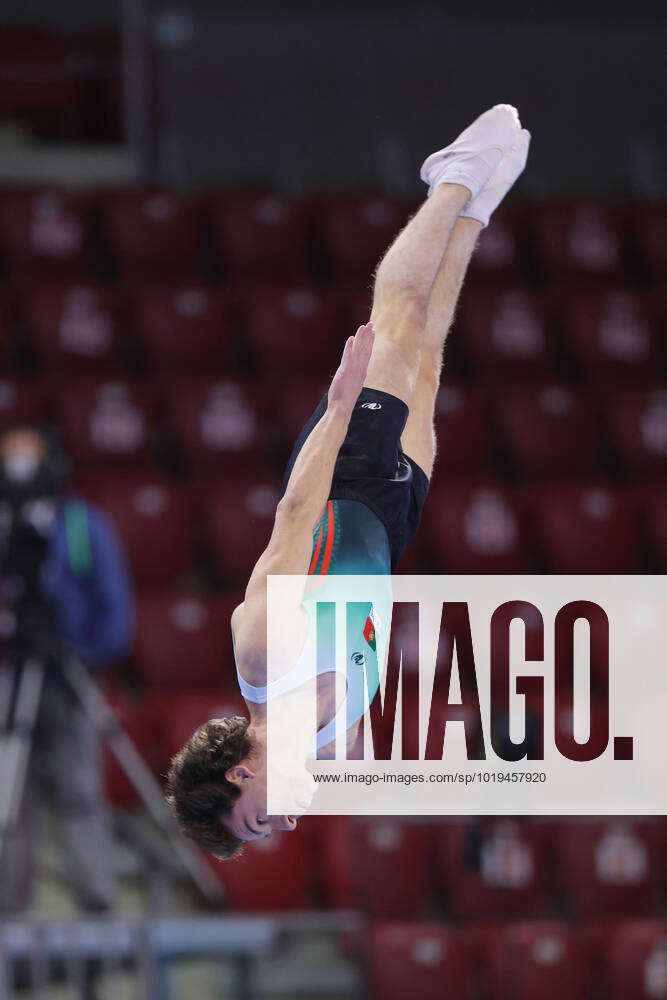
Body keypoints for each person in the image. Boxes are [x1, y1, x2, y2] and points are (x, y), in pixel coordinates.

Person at [166, 104, 531, 859]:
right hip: (390, 527)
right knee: (427, 356)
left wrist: (336, 415)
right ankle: (474, 217)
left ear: (241, 773)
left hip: (343, 485)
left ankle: (451, 182)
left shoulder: (264, 654)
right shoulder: (332, 749)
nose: (286, 825)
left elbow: (292, 519)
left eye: (259, 818)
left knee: (396, 318)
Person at [0, 426, 134, 913]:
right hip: (10, 676)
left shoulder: (81, 524)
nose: (18, 468)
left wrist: (88, 652)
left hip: (67, 672)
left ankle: (96, 901)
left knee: (80, 789)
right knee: (8, 799)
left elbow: (114, 604)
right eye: (9, 457)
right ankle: (7, 907)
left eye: (27, 456)